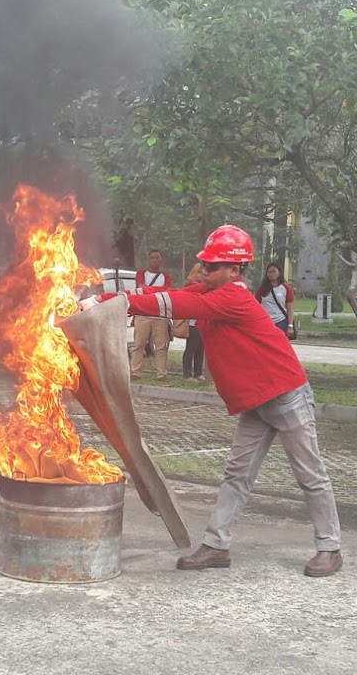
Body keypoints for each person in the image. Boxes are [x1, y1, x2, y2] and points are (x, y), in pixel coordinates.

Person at [94, 225, 343, 577]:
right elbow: (171, 293)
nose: (204, 271)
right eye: (205, 265)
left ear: (235, 270)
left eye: (213, 266)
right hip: (256, 401)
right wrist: (114, 298)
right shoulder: (213, 291)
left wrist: (119, 302)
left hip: (285, 395)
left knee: (310, 475)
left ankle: (330, 549)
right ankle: (217, 545)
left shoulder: (234, 297)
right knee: (237, 475)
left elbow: (178, 303)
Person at [130, 249, 173, 381]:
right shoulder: (141, 273)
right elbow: (141, 287)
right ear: (149, 260)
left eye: (157, 258)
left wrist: (149, 291)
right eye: (152, 258)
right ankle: (135, 372)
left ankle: (162, 374)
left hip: (160, 315)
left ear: (161, 260)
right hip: (142, 314)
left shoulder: (166, 276)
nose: (155, 260)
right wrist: (156, 292)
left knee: (161, 346)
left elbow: (167, 291)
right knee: (138, 344)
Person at [255, 262, 297, 340]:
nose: (271, 274)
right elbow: (256, 305)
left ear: (279, 272)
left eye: (274, 271)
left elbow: (290, 309)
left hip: (281, 322)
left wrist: (290, 326)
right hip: (266, 322)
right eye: (269, 272)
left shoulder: (286, 288)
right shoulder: (262, 289)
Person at [180, 262, 207, 382]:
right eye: (201, 272)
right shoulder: (190, 285)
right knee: (191, 347)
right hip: (192, 322)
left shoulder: (207, 286)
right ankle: (187, 374)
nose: (204, 275)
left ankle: (198, 372)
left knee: (201, 348)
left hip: (204, 321)